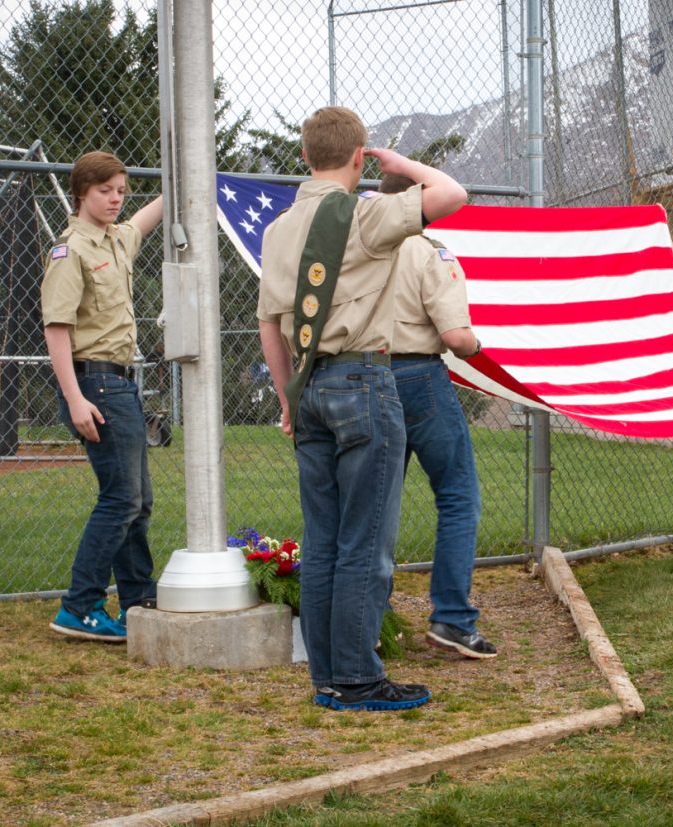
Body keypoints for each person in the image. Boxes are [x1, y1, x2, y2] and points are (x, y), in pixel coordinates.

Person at [258, 107, 467, 711]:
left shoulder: (278, 230)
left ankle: (327, 674)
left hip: (309, 386)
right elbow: (451, 193)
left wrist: (287, 397)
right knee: (365, 541)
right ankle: (356, 679)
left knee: (322, 542)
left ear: (304, 156)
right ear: (358, 157)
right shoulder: (367, 213)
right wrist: (396, 164)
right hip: (364, 382)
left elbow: (271, 327)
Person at [41, 150, 163, 642]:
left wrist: (184, 181)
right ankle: (81, 604)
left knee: (139, 500)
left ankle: (138, 598)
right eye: (104, 191)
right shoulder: (71, 251)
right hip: (96, 385)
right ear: (81, 193)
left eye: (119, 191)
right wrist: (74, 398)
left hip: (122, 383)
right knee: (120, 499)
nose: (114, 199)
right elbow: (56, 329)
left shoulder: (116, 241)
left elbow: (143, 221)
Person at [378, 172, 496, 660]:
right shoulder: (428, 252)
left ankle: (368, 620)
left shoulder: (353, 245)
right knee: (458, 497)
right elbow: (455, 337)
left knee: (373, 505)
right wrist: (480, 346)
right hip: (419, 377)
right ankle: (451, 617)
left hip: (364, 376)